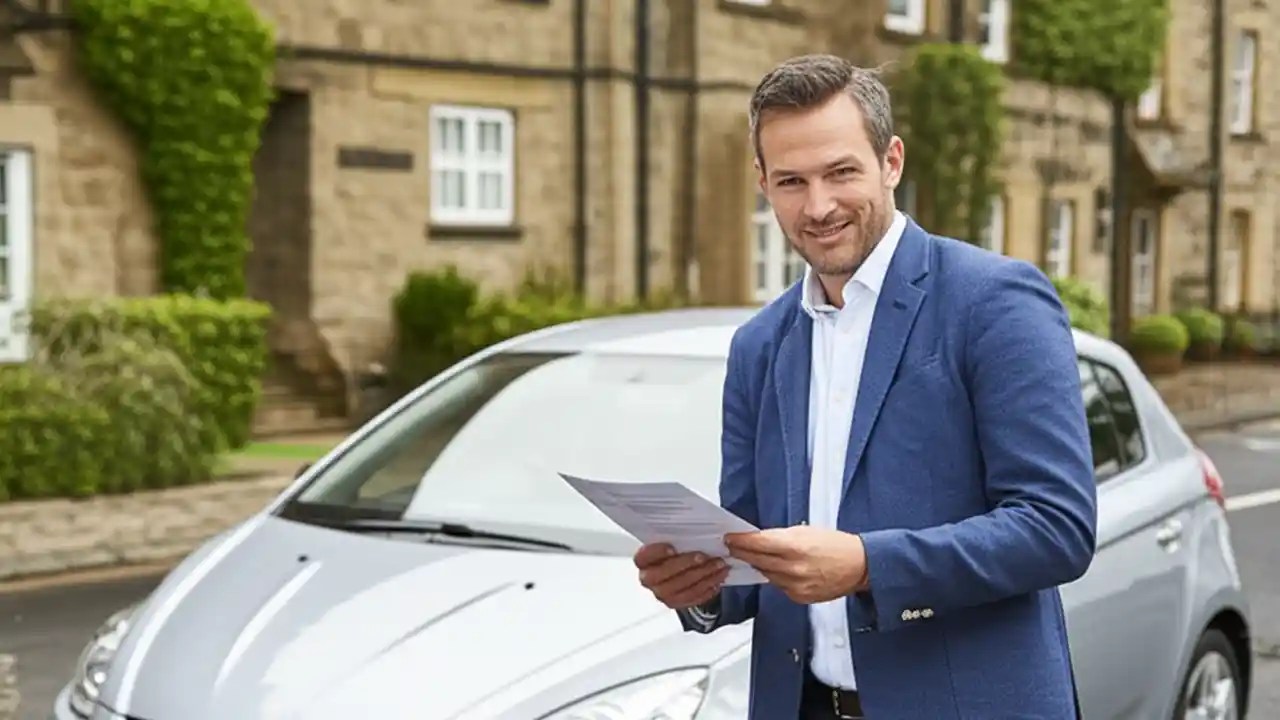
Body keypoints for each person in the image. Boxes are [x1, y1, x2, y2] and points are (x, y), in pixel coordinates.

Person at [633, 54, 1098, 719]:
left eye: (840, 172)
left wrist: (865, 564)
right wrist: (700, 586)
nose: (817, 206)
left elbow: (1057, 527)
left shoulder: (994, 301)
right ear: (762, 182)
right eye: (791, 180)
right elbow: (755, 551)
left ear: (891, 162)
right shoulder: (760, 346)